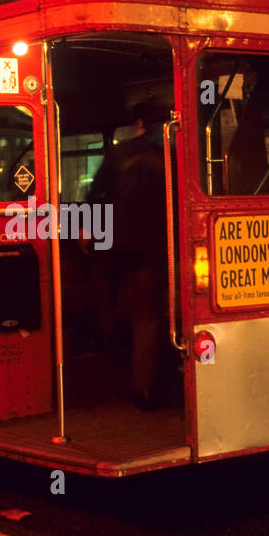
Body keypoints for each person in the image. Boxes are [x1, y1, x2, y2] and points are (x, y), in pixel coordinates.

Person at [88, 100, 170, 410]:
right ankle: (144, 386)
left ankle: (104, 336)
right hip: (153, 248)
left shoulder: (119, 154)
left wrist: (93, 231)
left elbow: (96, 193)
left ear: (138, 124)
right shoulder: (171, 156)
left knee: (99, 278)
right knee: (147, 318)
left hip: (116, 245)